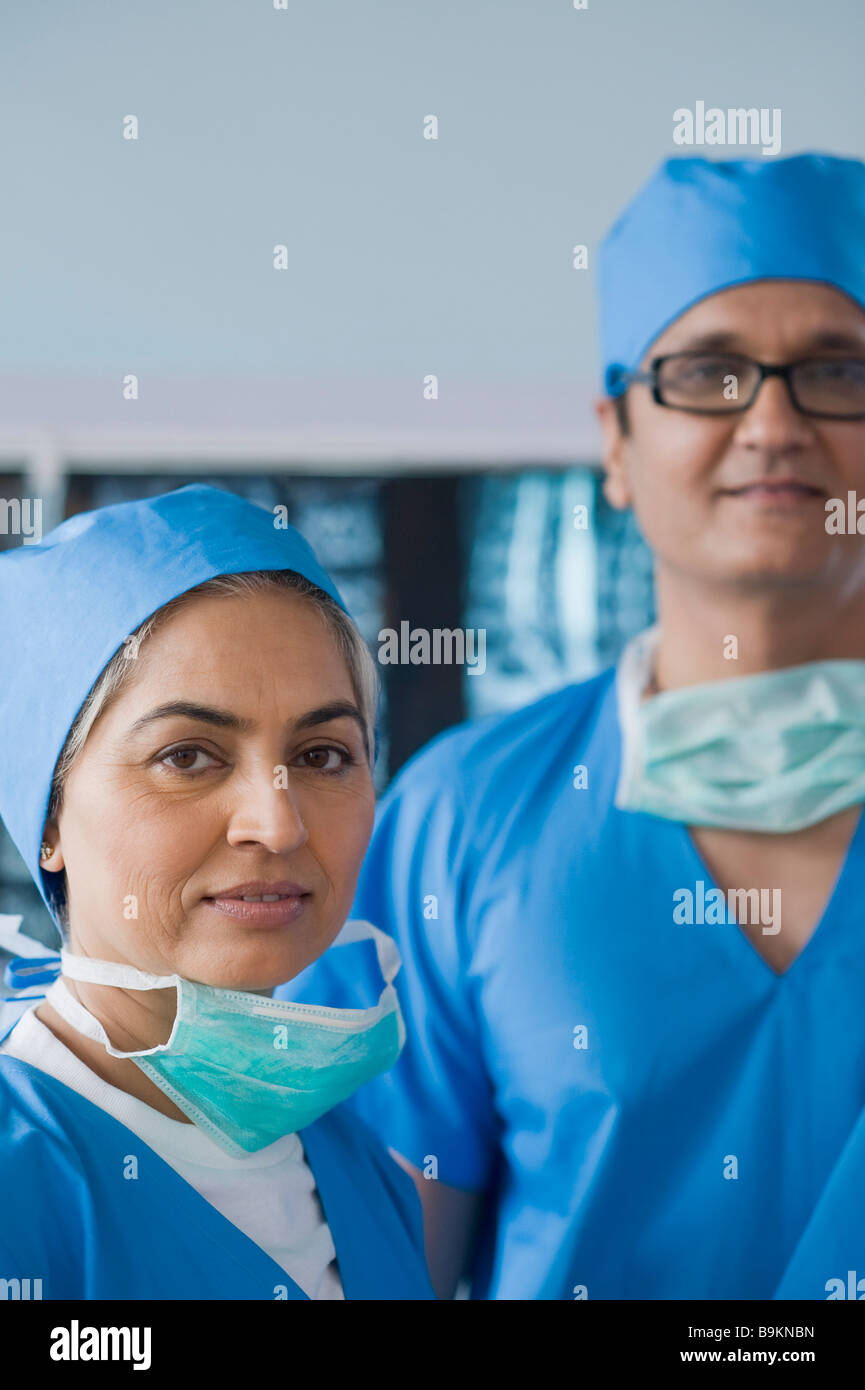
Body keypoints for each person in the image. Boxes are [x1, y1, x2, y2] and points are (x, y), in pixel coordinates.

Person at [275, 153, 865, 1300]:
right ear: (615, 441)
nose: (774, 420)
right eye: (707, 373)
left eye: (836, 370)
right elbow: (382, 1267)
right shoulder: (467, 822)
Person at [0, 483, 434, 1301]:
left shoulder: (363, 1176)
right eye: (188, 756)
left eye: (321, 756)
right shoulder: (21, 1180)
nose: (276, 825)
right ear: (48, 814)